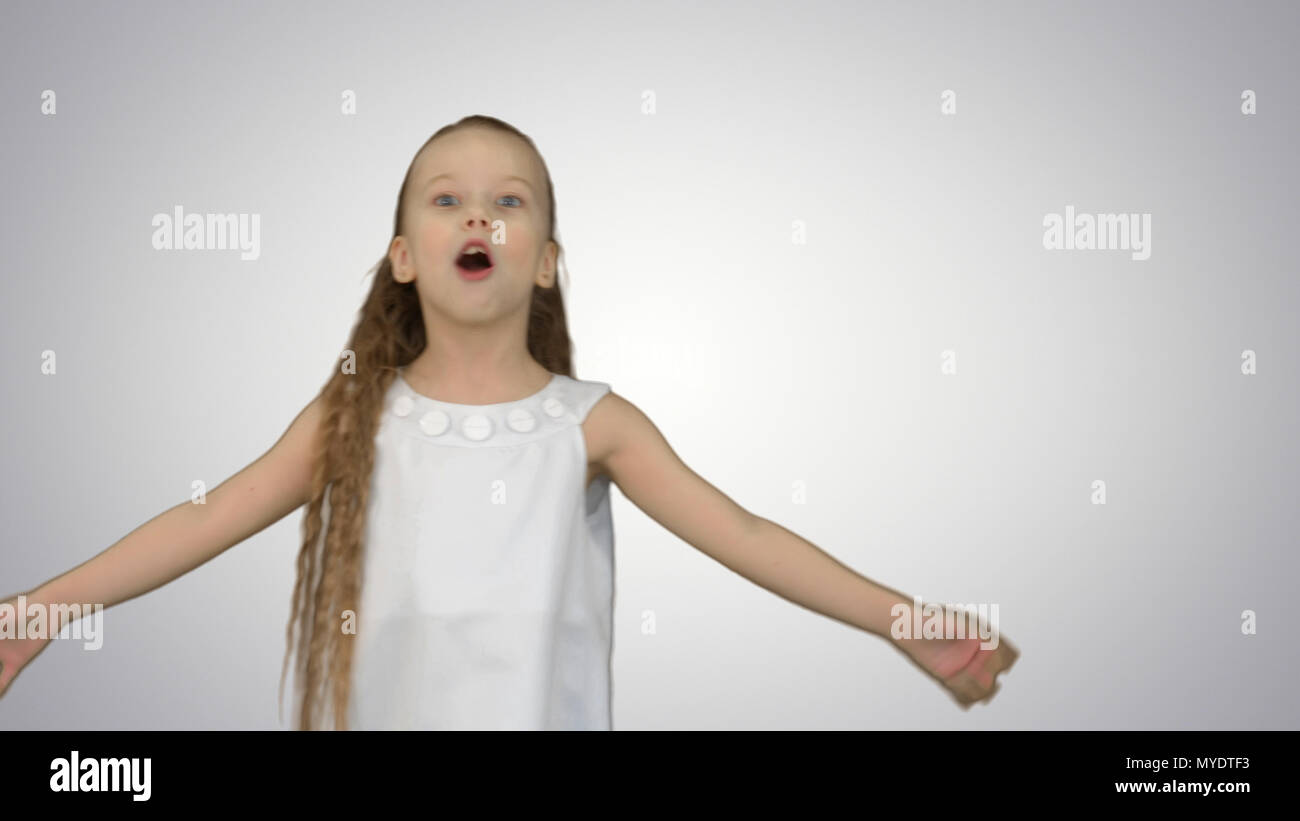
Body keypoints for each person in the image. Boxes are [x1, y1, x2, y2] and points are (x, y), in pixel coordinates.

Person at [0, 115, 1018, 730]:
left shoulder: (593, 424)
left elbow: (746, 535)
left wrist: (909, 620)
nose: (478, 216)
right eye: (447, 200)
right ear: (403, 255)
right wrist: (37, 611)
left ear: (544, 260)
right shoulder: (357, 415)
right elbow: (206, 515)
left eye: (508, 201)